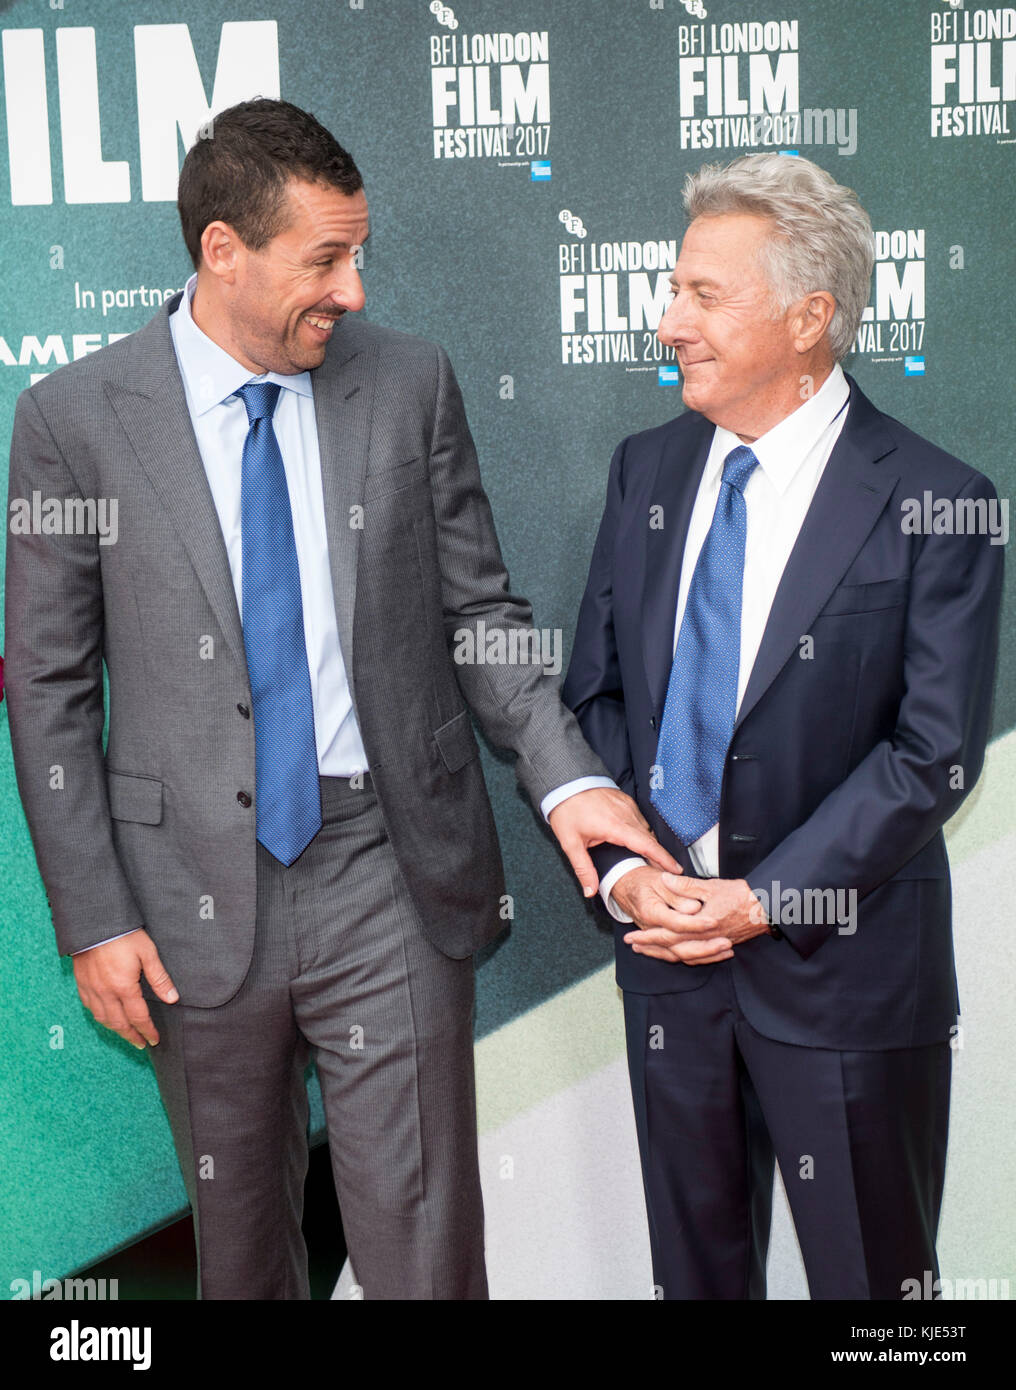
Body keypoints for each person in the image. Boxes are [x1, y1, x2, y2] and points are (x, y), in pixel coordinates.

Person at [4, 98, 678, 1301]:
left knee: (425, 1255)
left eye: (357, 255)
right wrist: (93, 915)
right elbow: (47, 685)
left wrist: (567, 777)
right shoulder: (71, 420)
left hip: (390, 872)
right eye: (324, 258)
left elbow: (480, 613)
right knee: (245, 1258)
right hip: (187, 897)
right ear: (223, 250)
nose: (353, 291)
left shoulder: (408, 383)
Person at [562, 153, 1004, 1300]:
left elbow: (930, 752)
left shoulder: (935, 499)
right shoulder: (641, 472)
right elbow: (593, 700)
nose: (668, 323)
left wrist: (763, 899)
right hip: (667, 965)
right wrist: (624, 875)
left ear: (809, 319)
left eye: (703, 296)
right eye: (673, 290)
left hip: (846, 980)